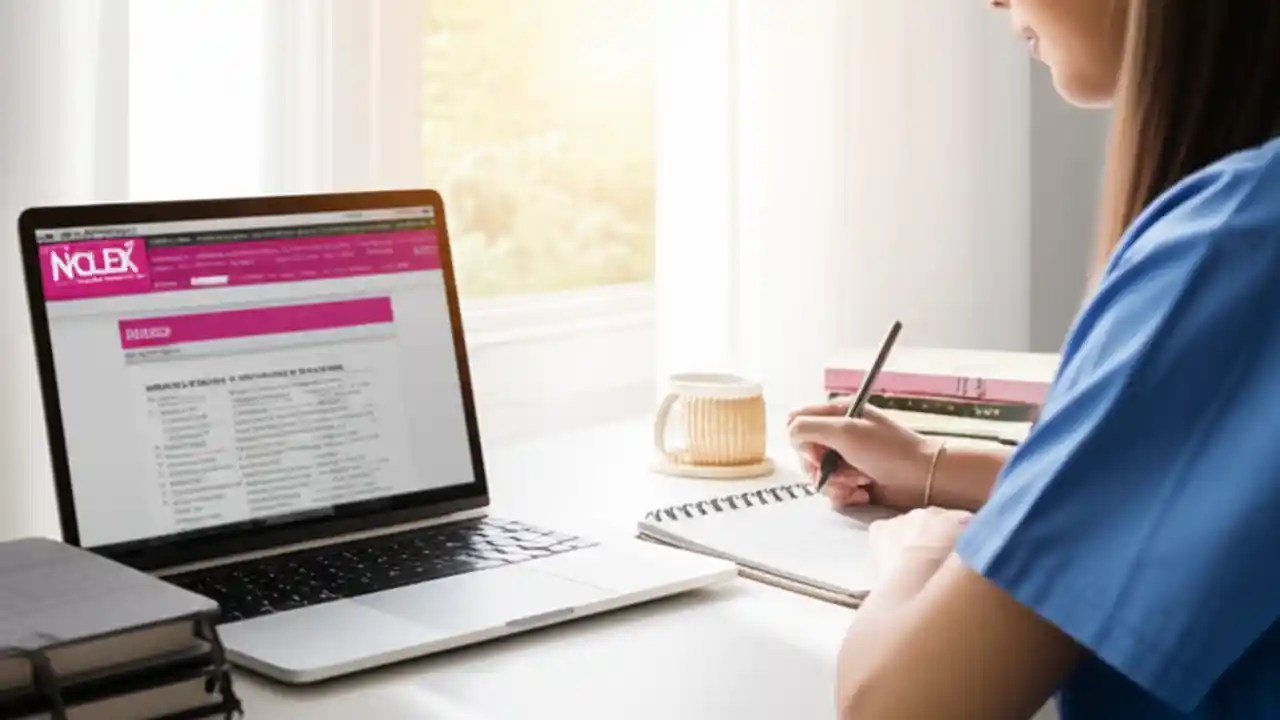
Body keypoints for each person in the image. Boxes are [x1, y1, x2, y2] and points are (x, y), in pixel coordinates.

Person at [787, 1, 1280, 718]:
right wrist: (939, 470)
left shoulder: (1238, 244)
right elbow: (1221, 493)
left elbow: (893, 705)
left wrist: (920, 556)